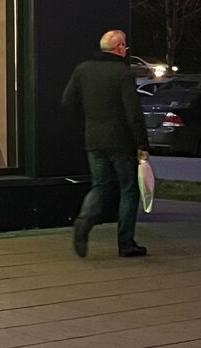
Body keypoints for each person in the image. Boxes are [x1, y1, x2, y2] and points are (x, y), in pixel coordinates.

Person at [62, 29, 150, 258]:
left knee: (100, 185)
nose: (125, 49)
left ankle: (84, 221)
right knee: (129, 189)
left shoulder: (83, 69)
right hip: (121, 142)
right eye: (125, 45)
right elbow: (133, 113)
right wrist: (142, 144)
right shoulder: (123, 73)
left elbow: (68, 101)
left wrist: (90, 118)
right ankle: (126, 243)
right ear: (119, 48)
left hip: (94, 138)